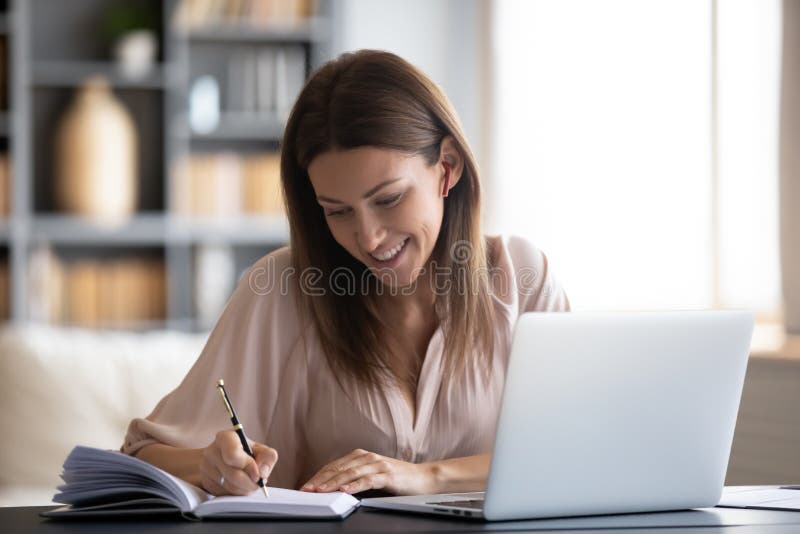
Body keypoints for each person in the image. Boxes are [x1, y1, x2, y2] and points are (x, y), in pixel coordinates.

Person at [122, 49, 570, 498]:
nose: (369, 238)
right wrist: (208, 464)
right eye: (338, 212)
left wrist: (423, 475)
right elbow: (141, 454)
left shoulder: (523, 279)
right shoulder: (282, 289)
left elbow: (572, 451)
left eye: (389, 199)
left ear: (447, 168)